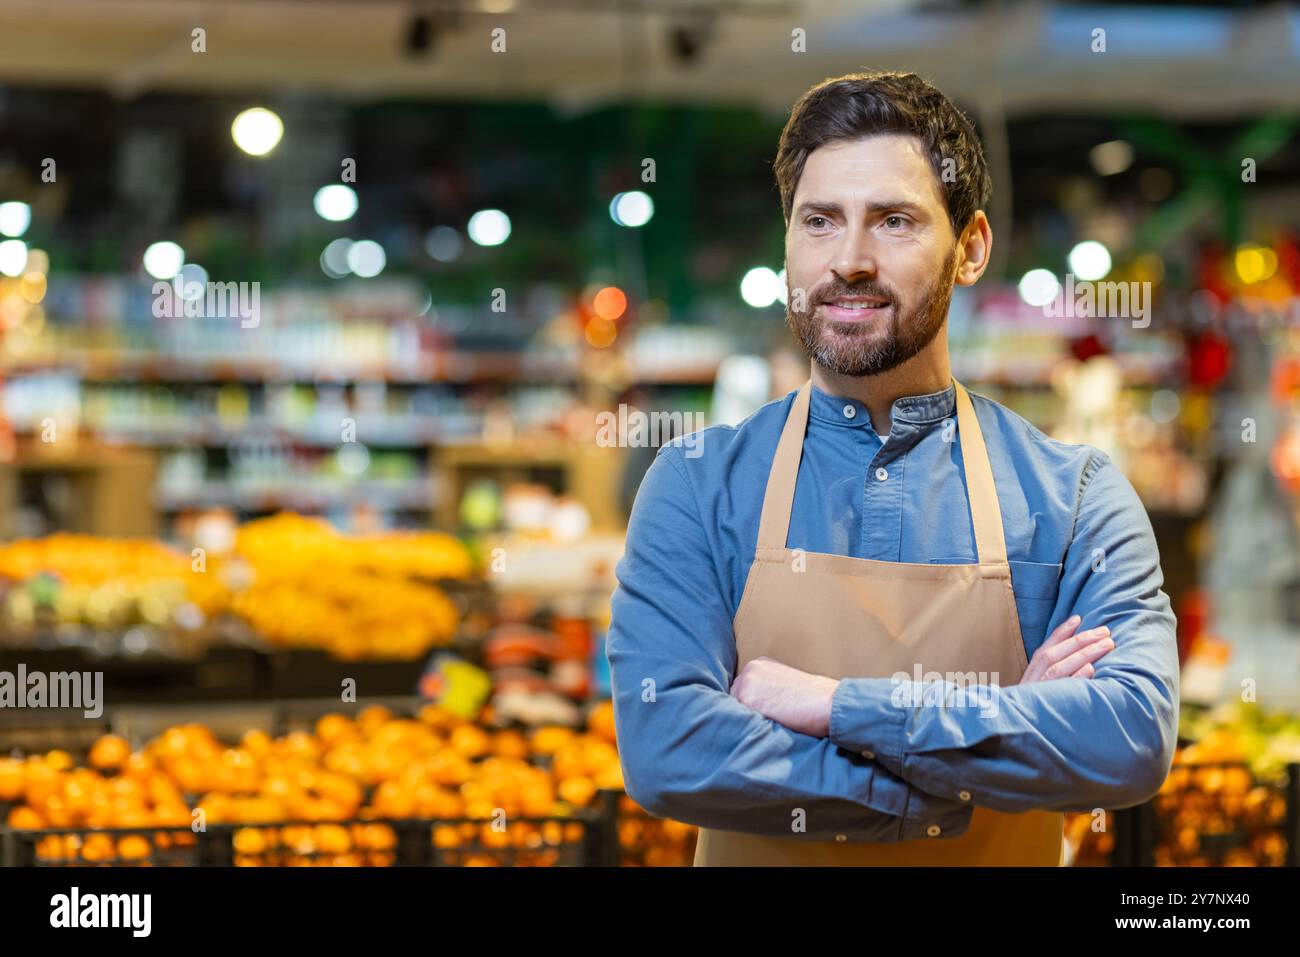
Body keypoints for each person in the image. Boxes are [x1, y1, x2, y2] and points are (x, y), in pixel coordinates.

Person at [605, 71, 1179, 866]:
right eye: (819, 221)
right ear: (787, 246)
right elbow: (669, 750)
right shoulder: (698, 485)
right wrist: (988, 740)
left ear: (970, 248)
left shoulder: (1075, 495)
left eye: (894, 221)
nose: (849, 260)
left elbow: (1127, 738)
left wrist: (832, 707)